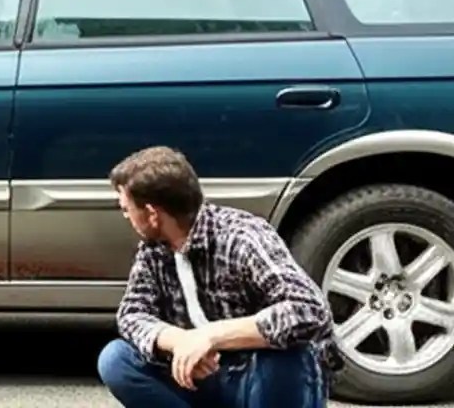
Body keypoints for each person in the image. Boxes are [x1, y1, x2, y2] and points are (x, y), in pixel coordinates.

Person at [97, 146, 340, 408]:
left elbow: (310, 309)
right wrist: (179, 341)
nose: (125, 216)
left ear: (152, 214)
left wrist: (210, 336)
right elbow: (131, 314)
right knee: (116, 359)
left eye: (126, 209)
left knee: (286, 355)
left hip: (260, 376)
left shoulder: (241, 237)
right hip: (202, 374)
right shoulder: (153, 251)